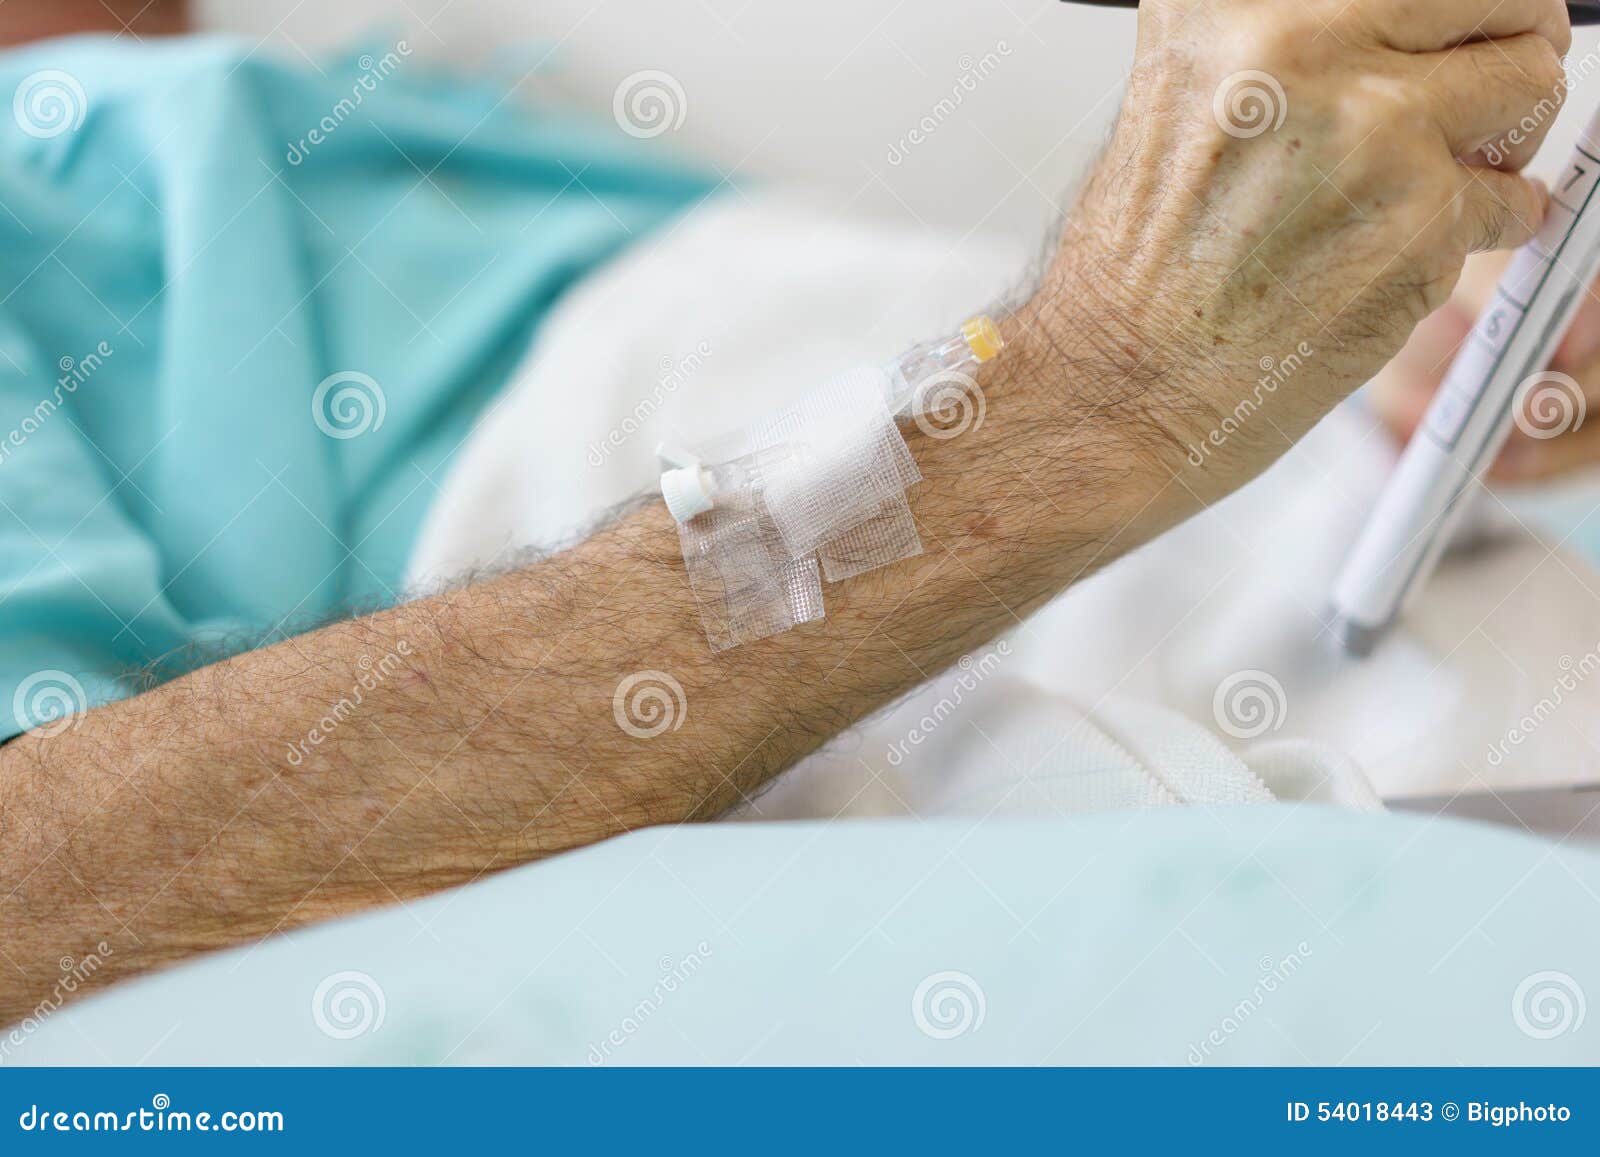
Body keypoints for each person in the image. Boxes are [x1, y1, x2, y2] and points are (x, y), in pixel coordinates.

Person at [0, 0, 1584, 1025]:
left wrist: (1425, 357)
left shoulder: (408, 96)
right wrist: (1088, 392)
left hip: (1282, 495)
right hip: (737, 597)